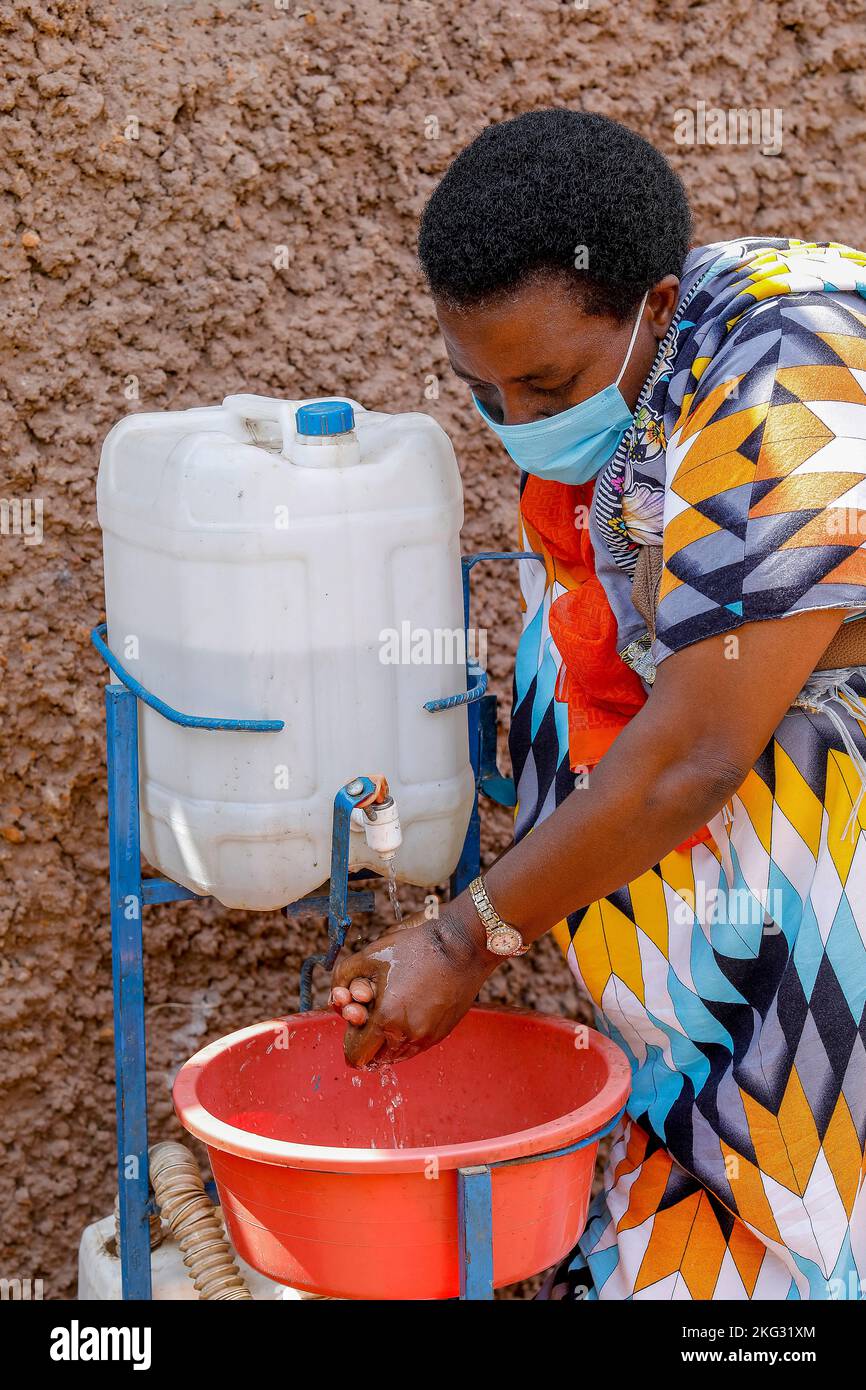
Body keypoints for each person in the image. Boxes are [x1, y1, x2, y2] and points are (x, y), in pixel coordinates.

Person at [331, 108, 866, 1300]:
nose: (520, 427)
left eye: (545, 384)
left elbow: (695, 752)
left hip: (823, 980)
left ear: (659, 308)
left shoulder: (797, 369)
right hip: (701, 1039)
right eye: (483, 390)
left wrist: (465, 933)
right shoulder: (635, 391)